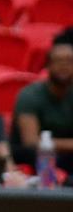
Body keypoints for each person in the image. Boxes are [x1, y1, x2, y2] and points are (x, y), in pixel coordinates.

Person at [12, 39, 73, 176]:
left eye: (69, 61)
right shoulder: (30, 95)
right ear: (48, 66)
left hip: (67, 158)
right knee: (39, 154)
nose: (64, 66)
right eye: (58, 61)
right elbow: (31, 142)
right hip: (32, 157)